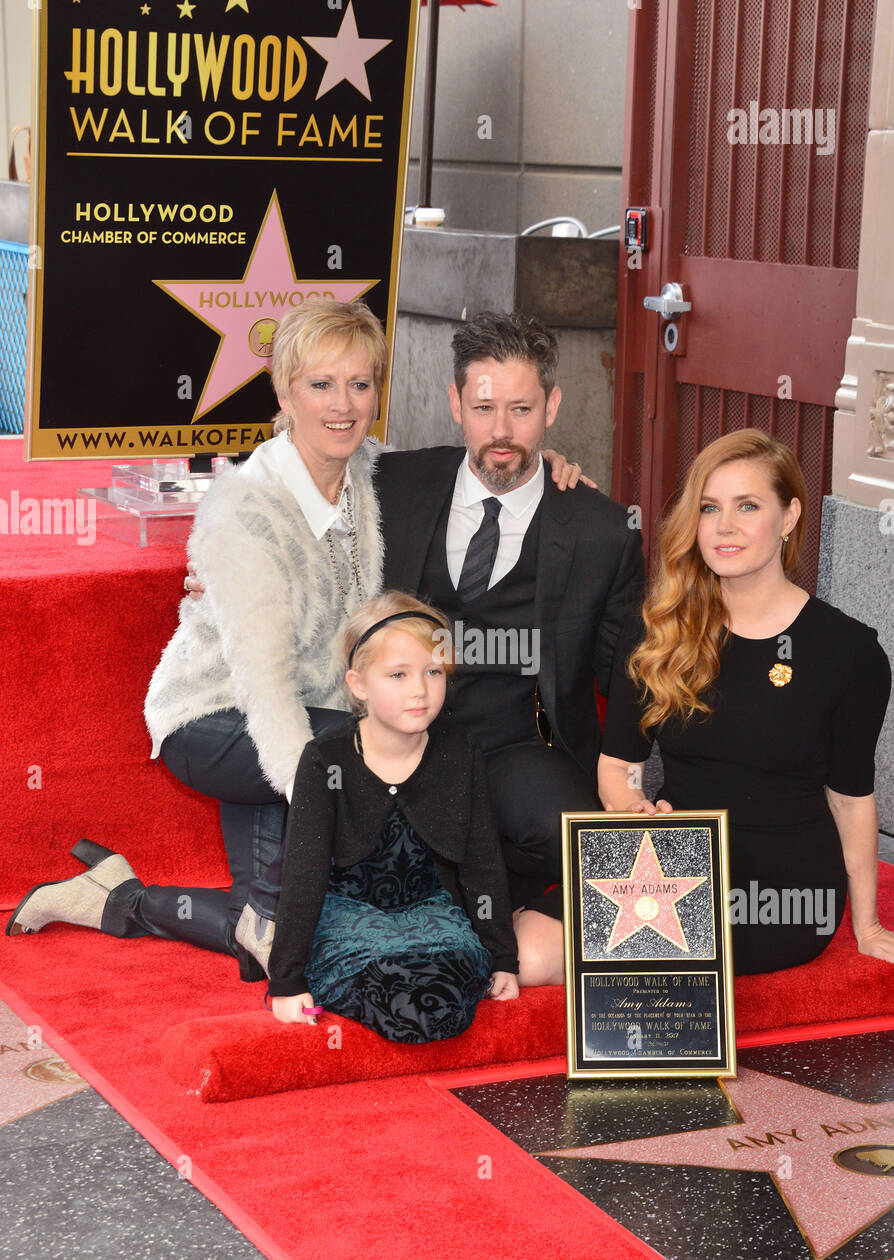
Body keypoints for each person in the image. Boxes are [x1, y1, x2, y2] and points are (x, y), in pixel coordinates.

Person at [6, 302, 586, 977]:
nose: (341, 405)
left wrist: (546, 467)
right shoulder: (245, 508)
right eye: (320, 384)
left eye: (359, 385)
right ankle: (248, 909)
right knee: (342, 814)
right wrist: (344, 799)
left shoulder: (375, 473)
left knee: (280, 940)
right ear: (284, 392)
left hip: (319, 715)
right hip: (220, 716)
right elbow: (265, 689)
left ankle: (119, 897)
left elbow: (481, 464)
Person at [594, 428, 894, 978]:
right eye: (709, 507)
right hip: (671, 861)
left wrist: (869, 926)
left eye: (748, 506)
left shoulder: (848, 650)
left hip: (783, 890)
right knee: (532, 943)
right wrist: (634, 815)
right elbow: (620, 766)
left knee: (626, 953)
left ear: (789, 517)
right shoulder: (656, 631)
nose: (724, 527)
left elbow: (851, 798)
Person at [371, 311, 645, 979]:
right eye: (484, 407)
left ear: (551, 406)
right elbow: (293, 482)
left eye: (520, 409)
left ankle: (503, 909)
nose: (501, 432)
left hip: (519, 744)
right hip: (400, 738)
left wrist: (626, 771)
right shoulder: (391, 485)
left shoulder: (600, 530)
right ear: (454, 404)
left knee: (610, 868)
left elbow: (634, 668)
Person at [255, 591, 519, 1041]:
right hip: (349, 916)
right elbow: (305, 874)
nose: (419, 690)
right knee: (394, 993)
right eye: (398, 674)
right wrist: (287, 979)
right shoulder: (326, 759)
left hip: (429, 913)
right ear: (359, 685)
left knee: (443, 995)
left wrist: (502, 957)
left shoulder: (461, 752)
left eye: (433, 672)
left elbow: (482, 863)